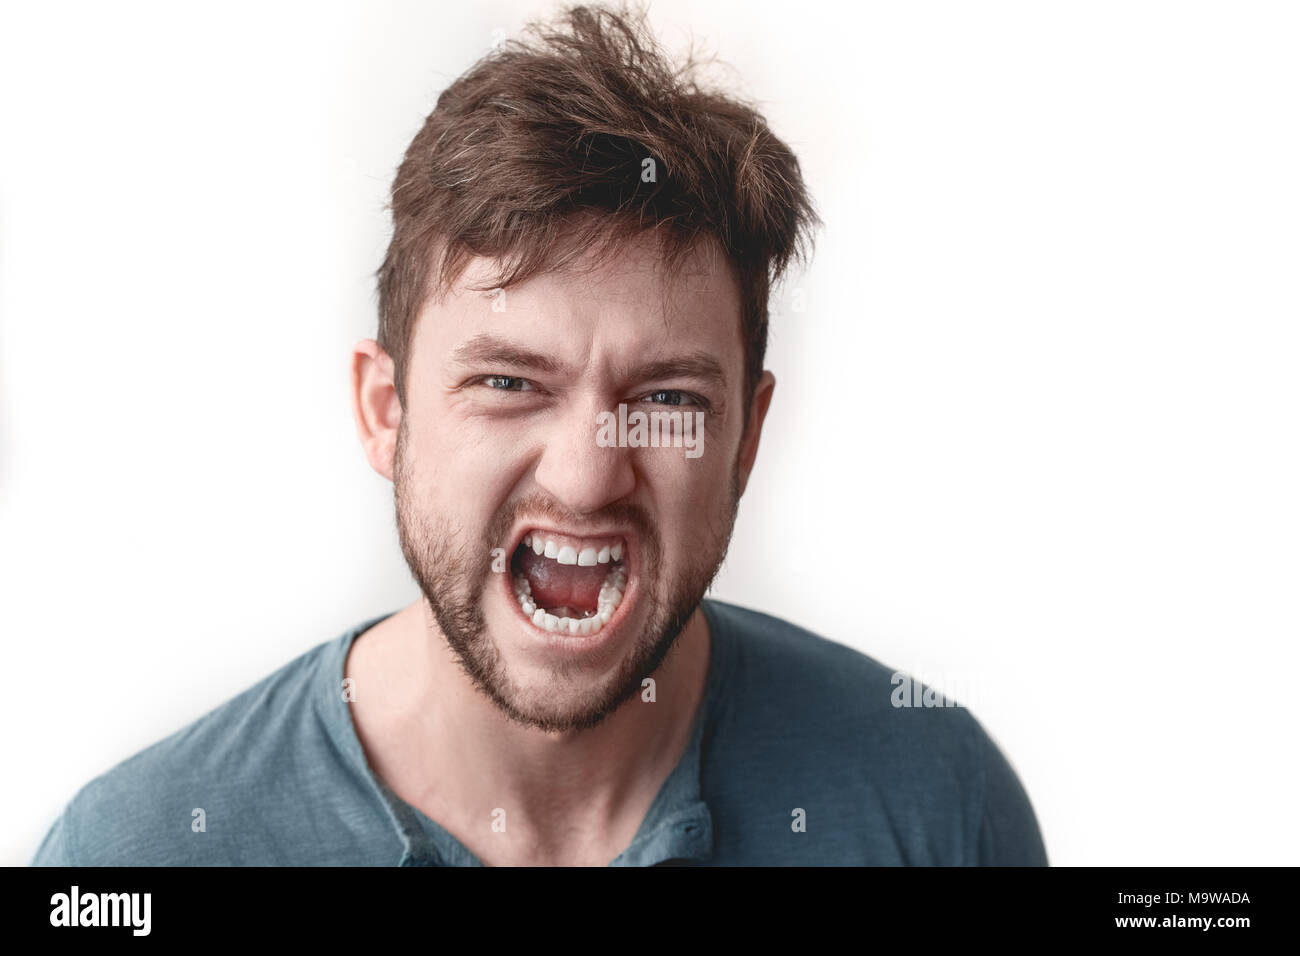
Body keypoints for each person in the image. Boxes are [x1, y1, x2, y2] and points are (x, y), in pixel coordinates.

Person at [31, 3, 1047, 866]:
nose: (588, 472)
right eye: (508, 380)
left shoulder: (934, 803)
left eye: (671, 399)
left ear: (746, 439)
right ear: (386, 412)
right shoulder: (134, 854)